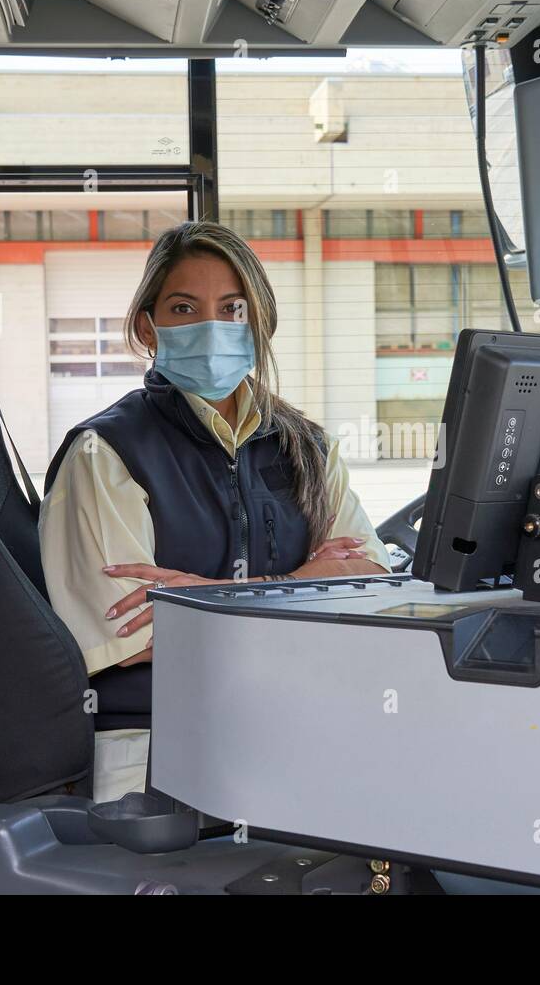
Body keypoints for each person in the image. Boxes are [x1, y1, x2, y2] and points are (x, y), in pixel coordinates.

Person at [39, 221, 391, 799]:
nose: (212, 326)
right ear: (147, 327)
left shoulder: (306, 444)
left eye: (232, 308)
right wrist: (300, 585)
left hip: (293, 726)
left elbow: (368, 581)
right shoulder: (105, 454)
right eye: (183, 307)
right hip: (154, 747)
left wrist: (207, 598)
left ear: (259, 323)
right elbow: (134, 637)